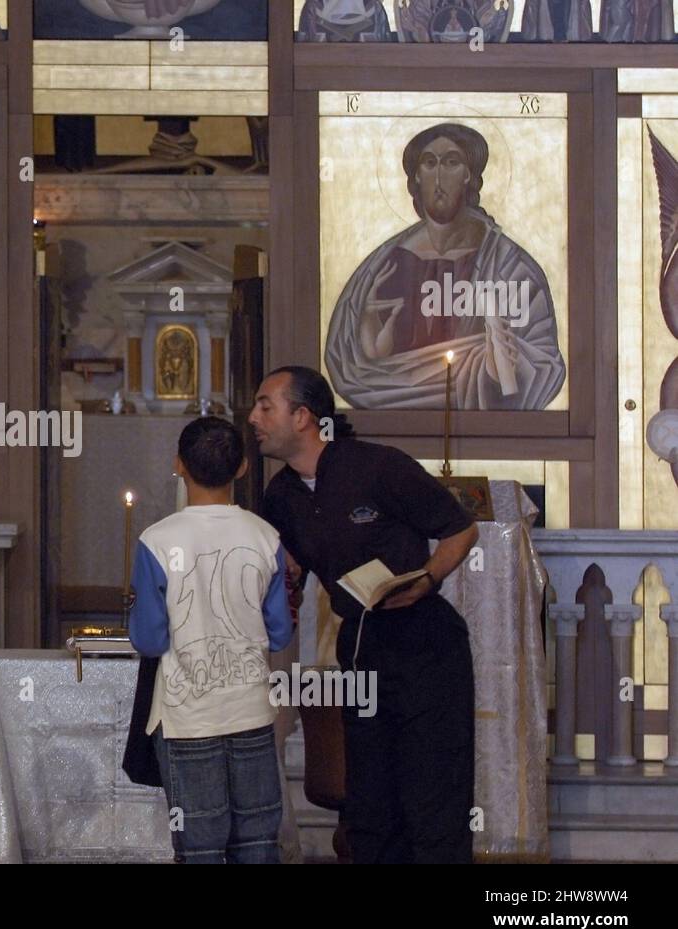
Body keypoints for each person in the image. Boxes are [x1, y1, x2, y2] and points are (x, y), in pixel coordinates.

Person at [249, 366, 479, 863]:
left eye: (266, 406)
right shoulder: (280, 496)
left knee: (434, 795)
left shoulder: (378, 467)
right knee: (370, 803)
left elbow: (461, 531)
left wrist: (428, 580)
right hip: (360, 649)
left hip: (427, 646)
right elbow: (288, 575)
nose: (254, 417)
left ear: (304, 416)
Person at [127, 416, 293, 864]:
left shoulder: (155, 541)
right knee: (258, 840)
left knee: (199, 844)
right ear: (241, 468)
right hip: (251, 711)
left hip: (188, 718)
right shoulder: (266, 537)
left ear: (178, 464)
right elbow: (279, 633)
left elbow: (148, 638)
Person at [324, 122, 564, 410]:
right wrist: (368, 343)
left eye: (451, 162)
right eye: (429, 163)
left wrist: (496, 367)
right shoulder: (382, 266)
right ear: (416, 176)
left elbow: (543, 361)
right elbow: (348, 366)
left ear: (469, 175)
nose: (438, 175)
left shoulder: (509, 266)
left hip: (485, 435)